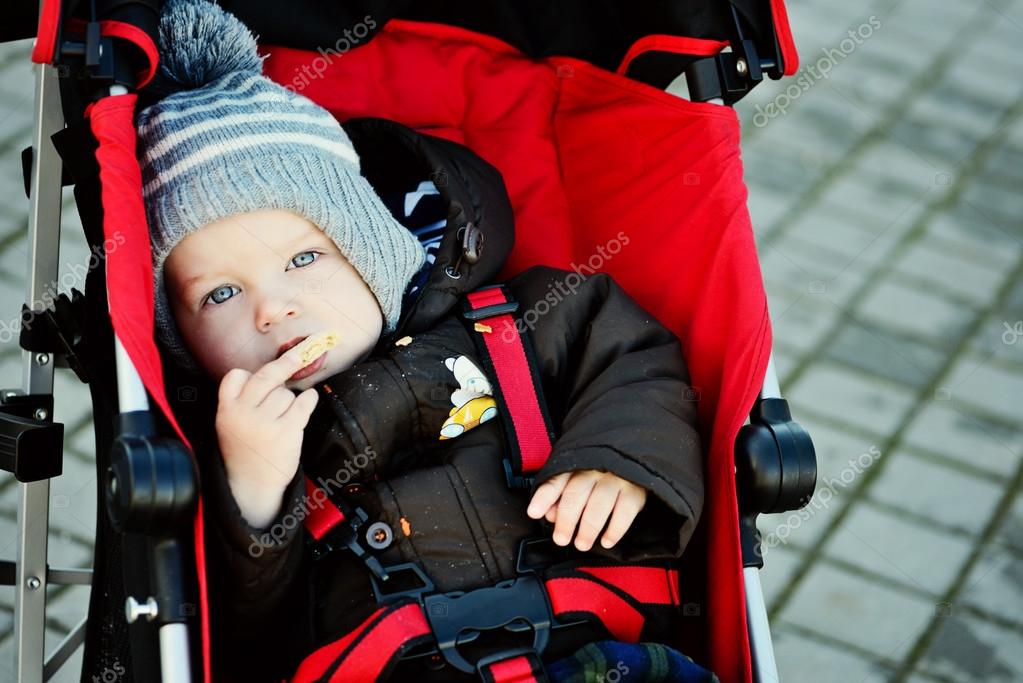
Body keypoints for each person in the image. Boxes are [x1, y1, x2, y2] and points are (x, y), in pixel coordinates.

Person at [140, 1, 709, 680]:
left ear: (370, 246)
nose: (273, 310)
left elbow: (636, 363)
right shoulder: (219, 441)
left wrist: (617, 461)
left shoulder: (526, 316)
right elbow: (246, 638)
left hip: (591, 646)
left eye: (302, 259)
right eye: (220, 294)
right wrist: (255, 491)